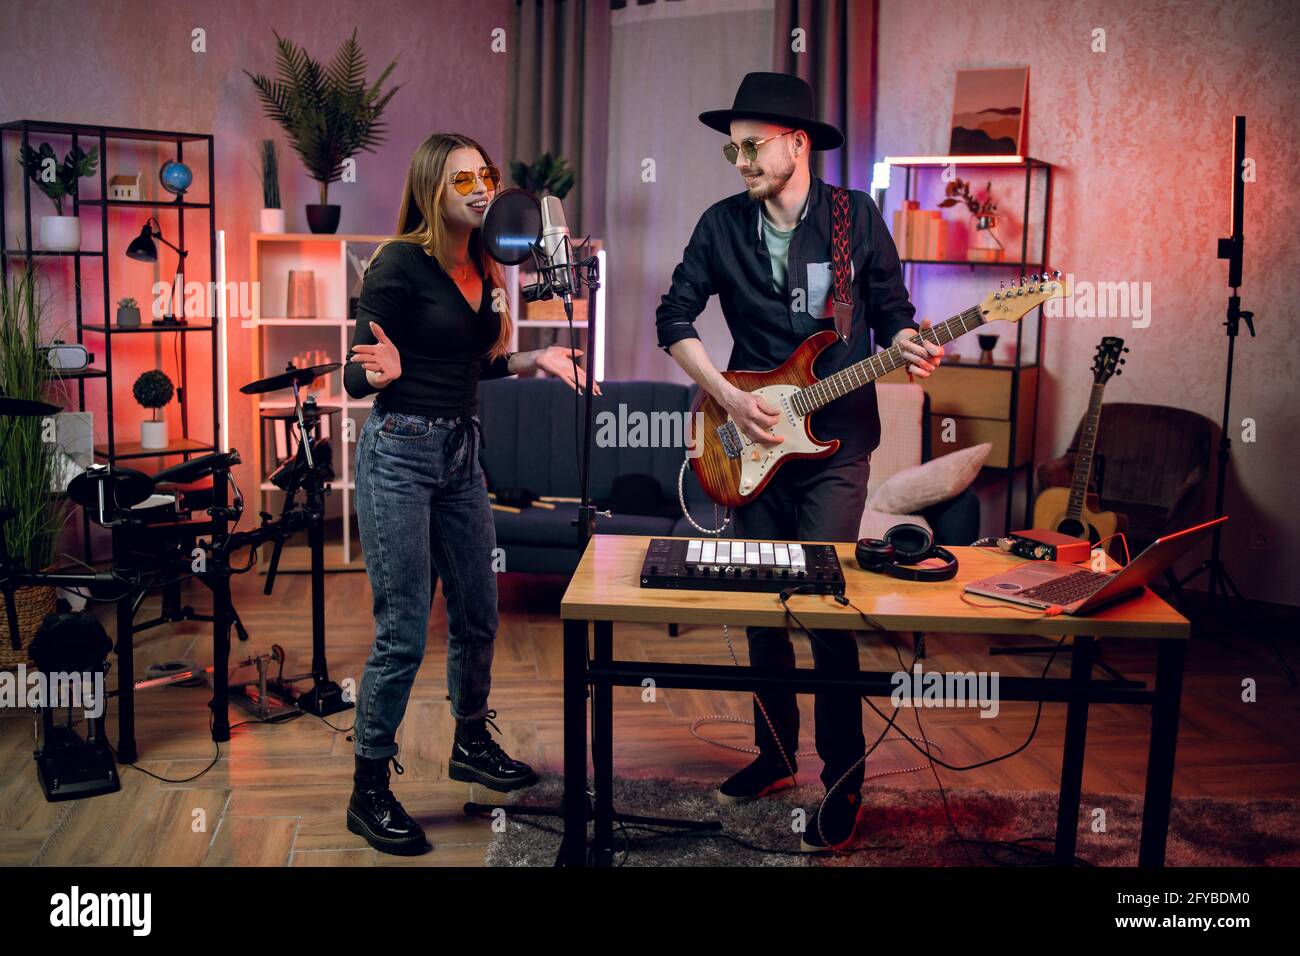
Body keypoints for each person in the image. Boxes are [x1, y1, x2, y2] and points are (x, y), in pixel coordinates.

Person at [656, 73, 943, 852]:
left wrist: (908, 346)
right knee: (758, 606)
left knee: (821, 608)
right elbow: (673, 316)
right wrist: (724, 393)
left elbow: (893, 315)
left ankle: (842, 779)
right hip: (748, 436)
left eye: (752, 147)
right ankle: (775, 755)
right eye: (733, 147)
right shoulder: (720, 226)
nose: (740, 160)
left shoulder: (855, 217)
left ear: (797, 144)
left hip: (835, 448)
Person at [343, 132, 591, 856]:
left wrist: (531, 356)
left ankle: (470, 743)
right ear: (432, 190)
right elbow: (358, 378)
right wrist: (378, 371)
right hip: (401, 452)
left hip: (460, 452)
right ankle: (369, 791)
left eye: (484, 175)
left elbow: (468, 364)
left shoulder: (486, 262)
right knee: (402, 631)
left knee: (480, 613)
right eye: (462, 180)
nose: (481, 189)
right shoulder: (398, 264)